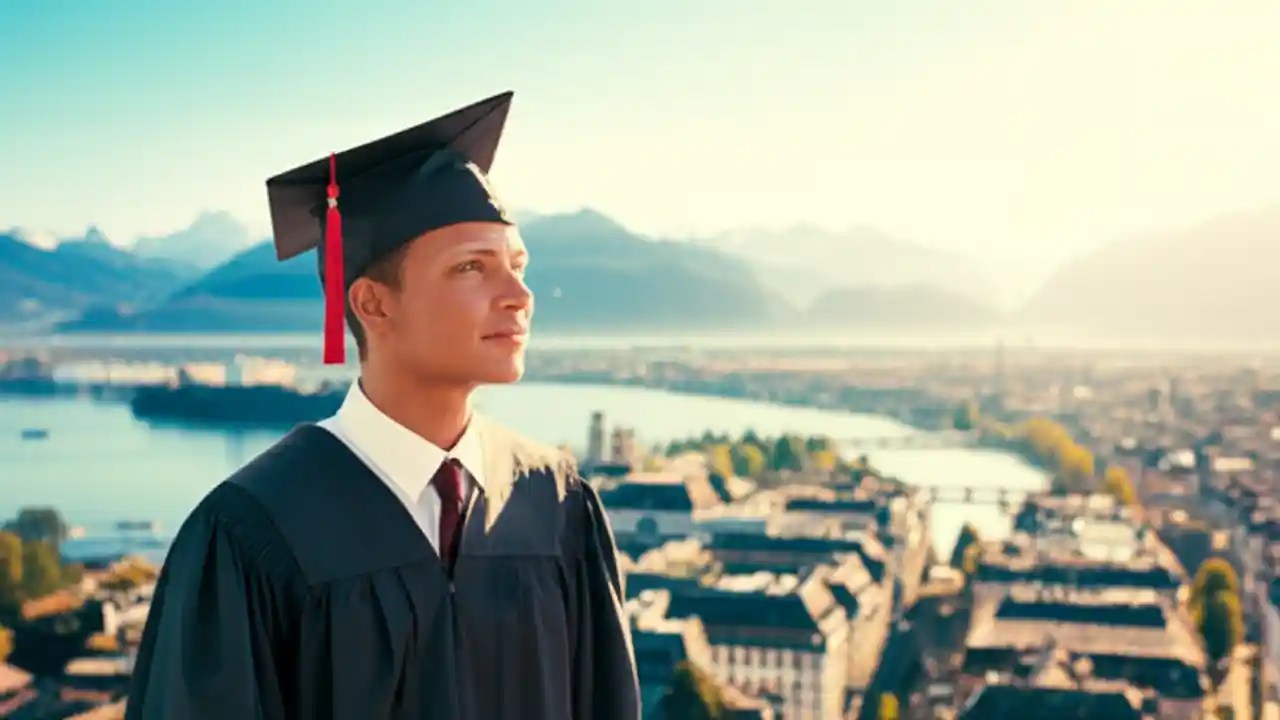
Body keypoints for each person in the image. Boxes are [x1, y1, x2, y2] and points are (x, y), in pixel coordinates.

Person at [124, 91, 640, 719]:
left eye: (518, 265)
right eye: (471, 268)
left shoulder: (556, 505)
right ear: (372, 304)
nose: (519, 295)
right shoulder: (251, 534)